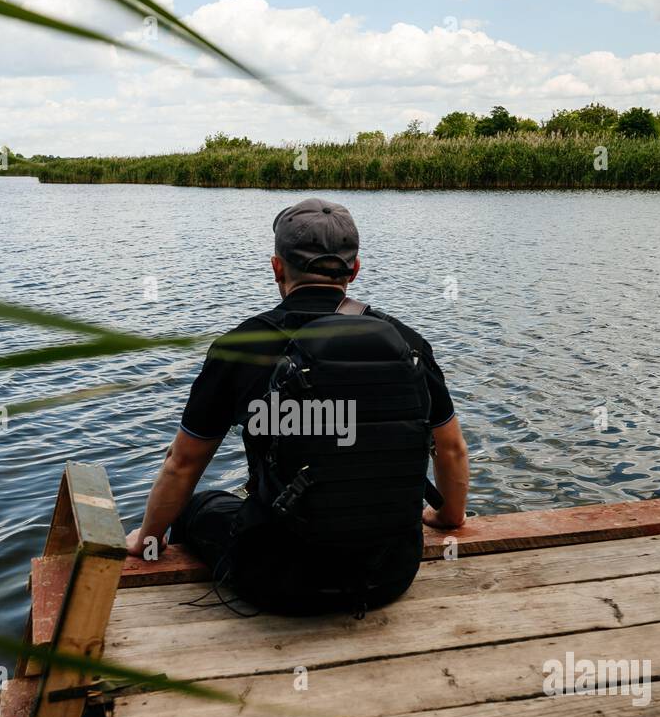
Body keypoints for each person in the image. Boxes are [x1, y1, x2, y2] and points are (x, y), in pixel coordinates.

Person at [126, 197, 469, 615]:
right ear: (355, 269)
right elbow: (450, 449)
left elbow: (182, 463)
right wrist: (449, 517)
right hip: (389, 575)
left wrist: (147, 537)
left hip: (278, 581)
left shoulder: (241, 347)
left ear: (276, 267)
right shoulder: (407, 343)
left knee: (200, 506)